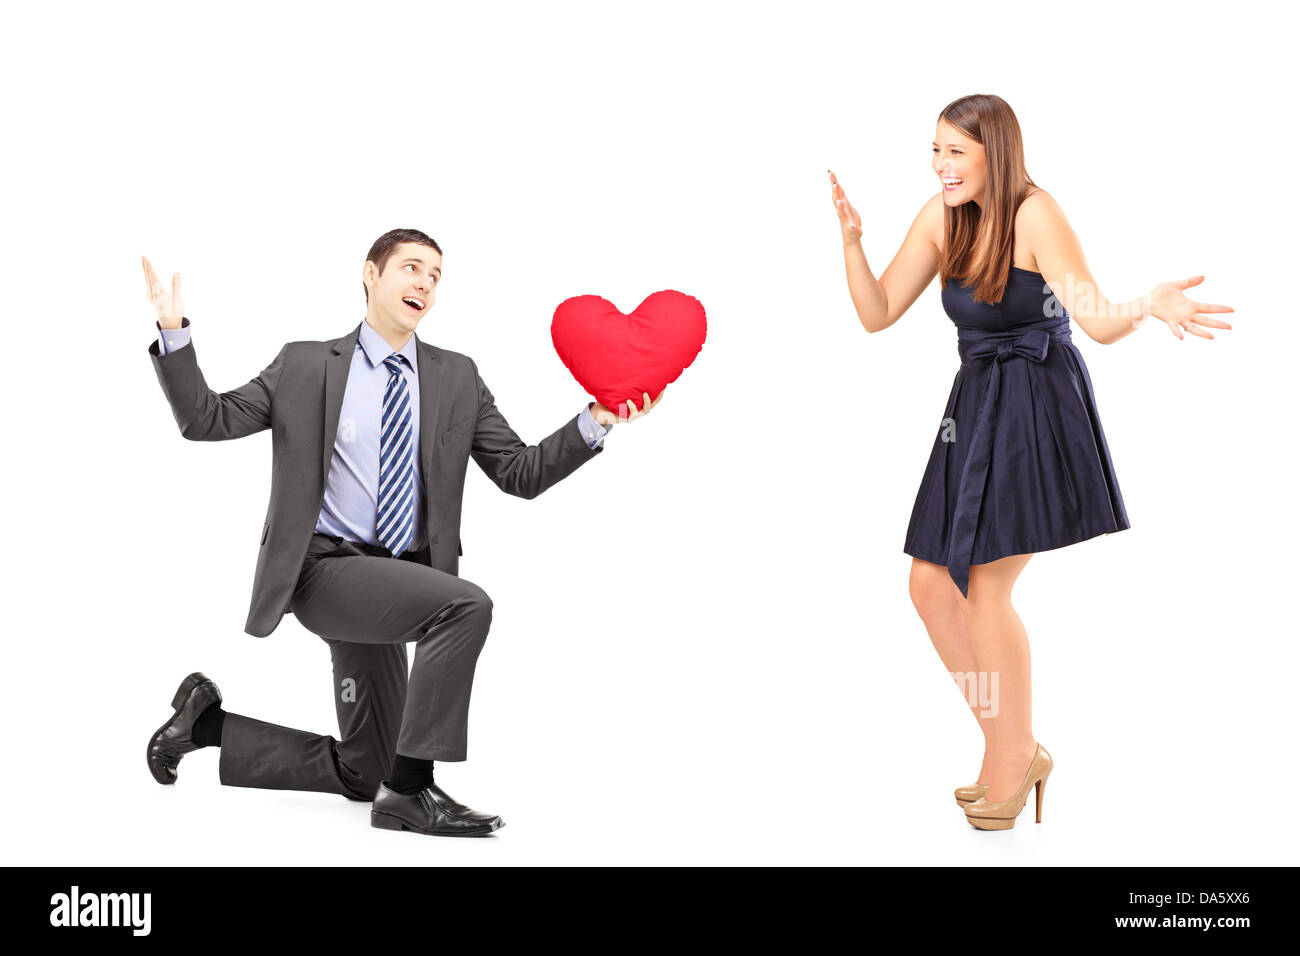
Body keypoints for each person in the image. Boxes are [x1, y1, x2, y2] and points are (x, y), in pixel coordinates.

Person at [143, 228, 661, 837]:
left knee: (365, 770)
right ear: (371, 274)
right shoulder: (306, 364)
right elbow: (207, 419)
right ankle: (413, 791)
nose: (424, 283)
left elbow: (519, 473)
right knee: (467, 606)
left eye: (436, 275)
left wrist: (596, 420)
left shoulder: (458, 378)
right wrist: (174, 334)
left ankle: (203, 726)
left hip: (397, 579)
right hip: (322, 571)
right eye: (411, 268)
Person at [828, 94, 1233, 831]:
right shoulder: (941, 214)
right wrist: (853, 243)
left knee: (983, 584)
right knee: (927, 584)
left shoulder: (1037, 214)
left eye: (956, 151)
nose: (941, 165)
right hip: (976, 402)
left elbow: (1098, 321)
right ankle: (1013, 745)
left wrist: (1149, 302)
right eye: (936, 150)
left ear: (995, 153)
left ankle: (1009, 760)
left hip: (1036, 404)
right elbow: (878, 311)